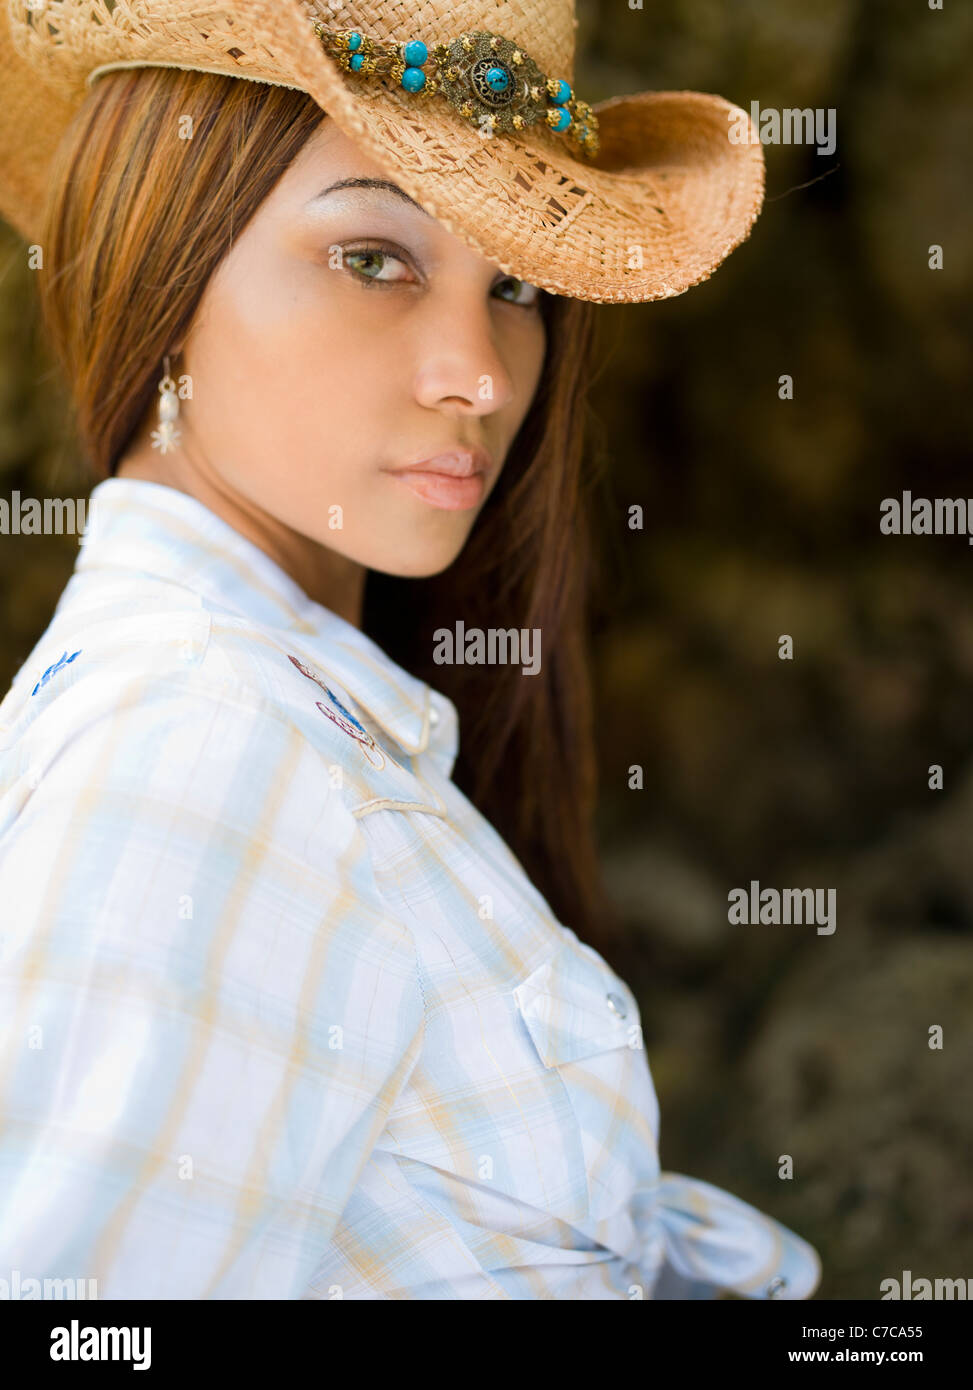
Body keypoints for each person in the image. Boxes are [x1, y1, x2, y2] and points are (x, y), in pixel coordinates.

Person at [0, 0, 820, 1298]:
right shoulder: (206, 752)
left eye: (515, 284)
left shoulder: (276, 719)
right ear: (157, 273)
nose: (480, 374)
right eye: (373, 255)